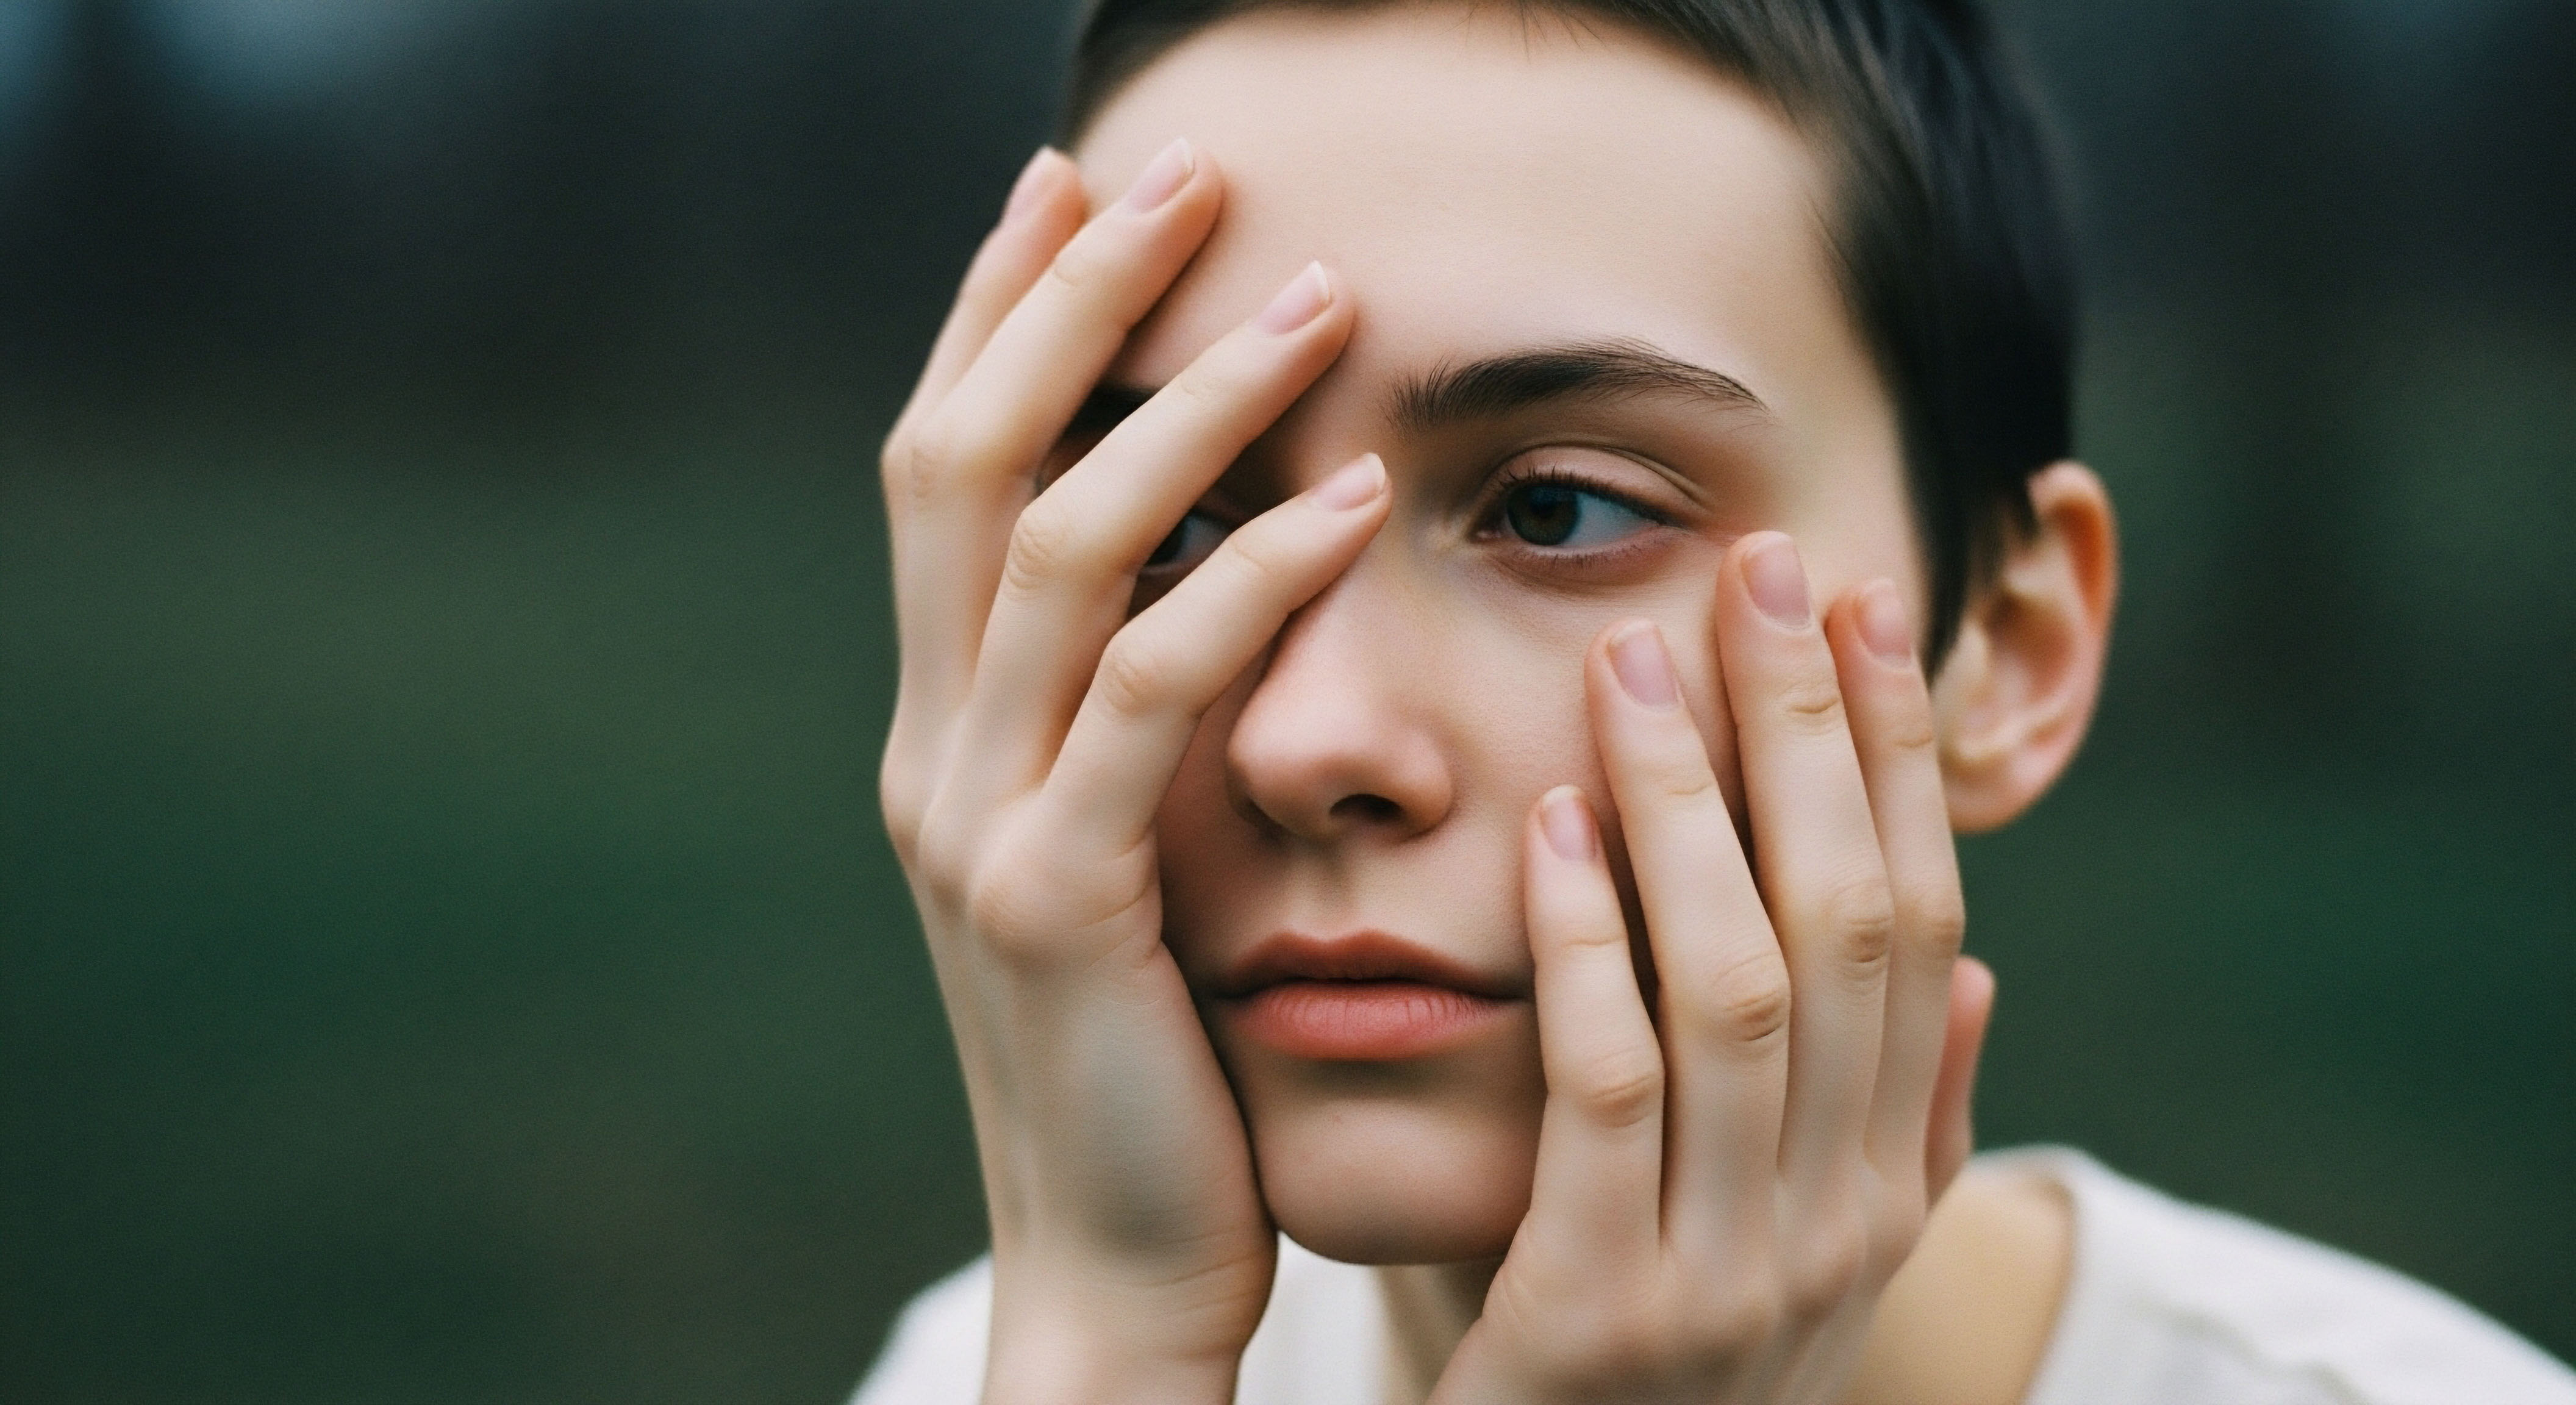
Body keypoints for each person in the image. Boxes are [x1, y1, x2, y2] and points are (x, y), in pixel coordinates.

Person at [856, 1, 2576, 1401]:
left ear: (2010, 648)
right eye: (1172, 525)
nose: (1310, 741)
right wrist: (1101, 1346)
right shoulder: (989, 1368)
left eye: (1558, 509)